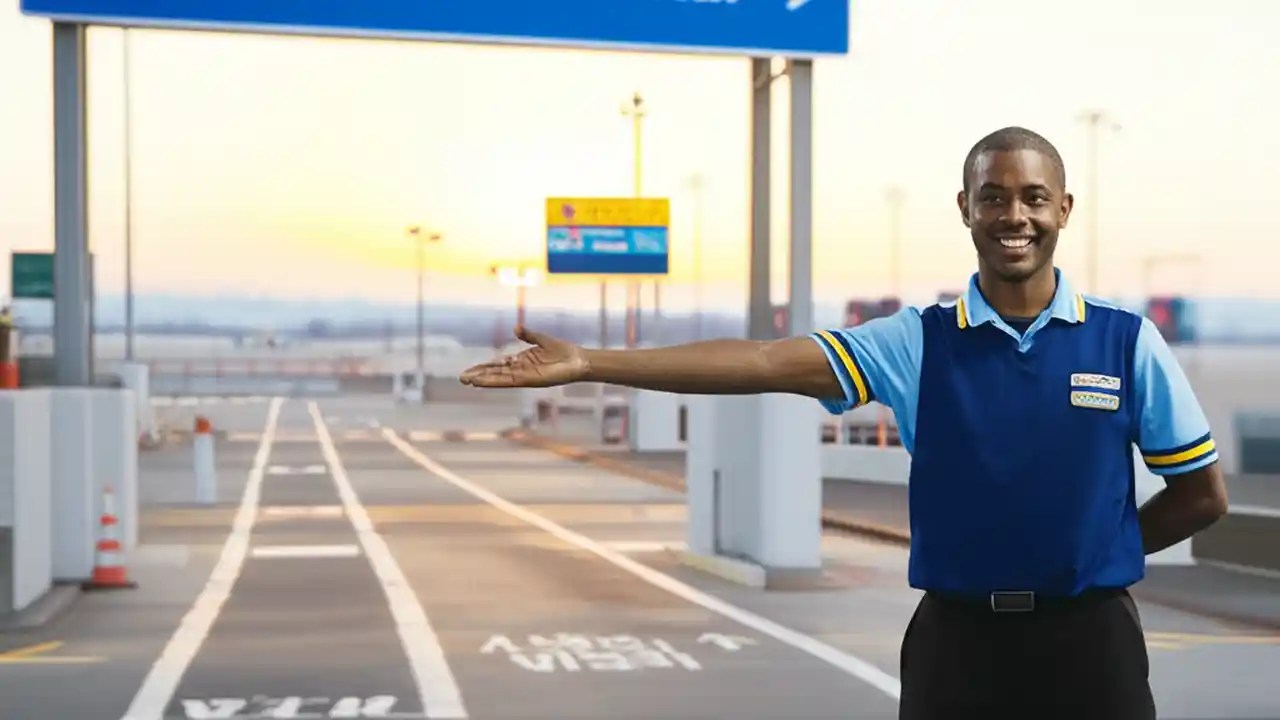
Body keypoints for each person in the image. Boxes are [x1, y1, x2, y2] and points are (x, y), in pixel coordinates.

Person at [459, 126, 1228, 718]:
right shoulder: (917, 341)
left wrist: (1103, 550)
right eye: (993, 196)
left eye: (1033, 196)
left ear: (1063, 208)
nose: (1013, 214)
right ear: (966, 209)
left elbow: (1201, 494)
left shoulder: (1125, 342)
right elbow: (762, 362)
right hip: (958, 646)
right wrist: (593, 362)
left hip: (1091, 643)